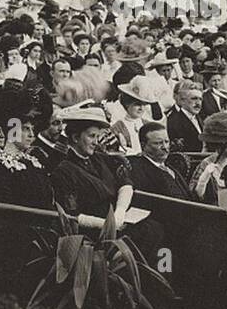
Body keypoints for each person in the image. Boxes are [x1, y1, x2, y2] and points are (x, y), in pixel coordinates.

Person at [49, 103, 165, 257]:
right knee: (150, 232)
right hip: (95, 233)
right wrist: (108, 225)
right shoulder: (64, 170)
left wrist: (120, 212)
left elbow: (125, 183)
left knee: (155, 228)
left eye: (97, 136)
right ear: (76, 137)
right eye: (91, 136)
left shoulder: (99, 159)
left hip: (119, 221)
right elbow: (72, 215)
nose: (96, 142)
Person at [128, 122, 193, 200]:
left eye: (166, 141)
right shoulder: (137, 170)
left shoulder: (171, 168)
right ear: (143, 145)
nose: (165, 147)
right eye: (158, 143)